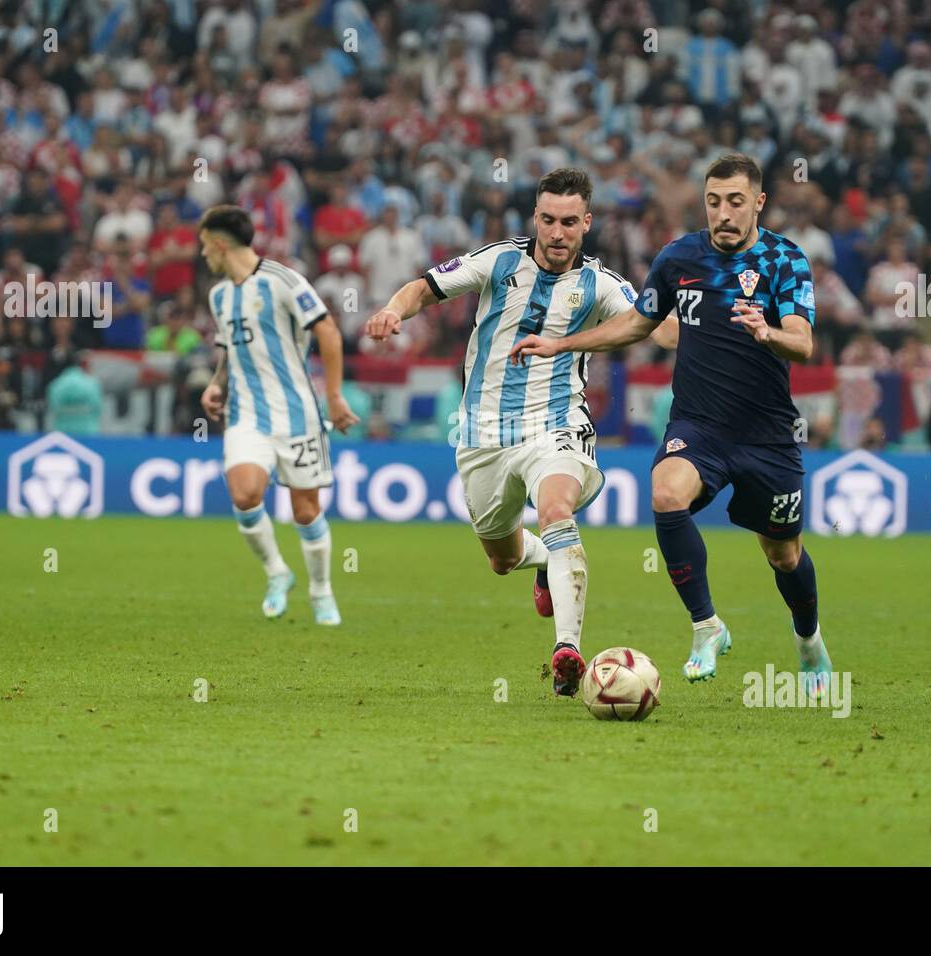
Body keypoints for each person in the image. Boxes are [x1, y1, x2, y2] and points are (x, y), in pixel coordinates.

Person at [510, 153, 833, 699]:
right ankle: (707, 626)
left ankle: (809, 641)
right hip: (698, 425)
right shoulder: (680, 257)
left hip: (768, 434)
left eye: (735, 202)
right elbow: (639, 322)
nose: (723, 213)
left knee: (784, 555)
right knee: (664, 493)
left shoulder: (784, 259)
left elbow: (803, 342)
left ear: (758, 202)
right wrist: (561, 343)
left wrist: (768, 333)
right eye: (713, 202)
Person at [365, 168, 659, 697]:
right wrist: (393, 309)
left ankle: (567, 649)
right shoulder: (498, 259)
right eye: (547, 219)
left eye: (569, 222)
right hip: (482, 432)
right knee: (501, 559)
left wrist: (703, 323)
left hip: (557, 425)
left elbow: (649, 323)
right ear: (535, 218)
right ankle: (544, 563)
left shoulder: (603, 284)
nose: (556, 232)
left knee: (555, 512)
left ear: (586, 223)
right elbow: (424, 288)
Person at [197, 205, 360, 624]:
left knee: (305, 510)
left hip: (297, 414)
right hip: (246, 414)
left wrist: (336, 396)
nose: (202, 255)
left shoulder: (283, 280)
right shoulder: (219, 295)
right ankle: (277, 572)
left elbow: (327, 330)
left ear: (219, 244)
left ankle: (321, 590)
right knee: (245, 494)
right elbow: (229, 349)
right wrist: (217, 384)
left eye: (203, 246)